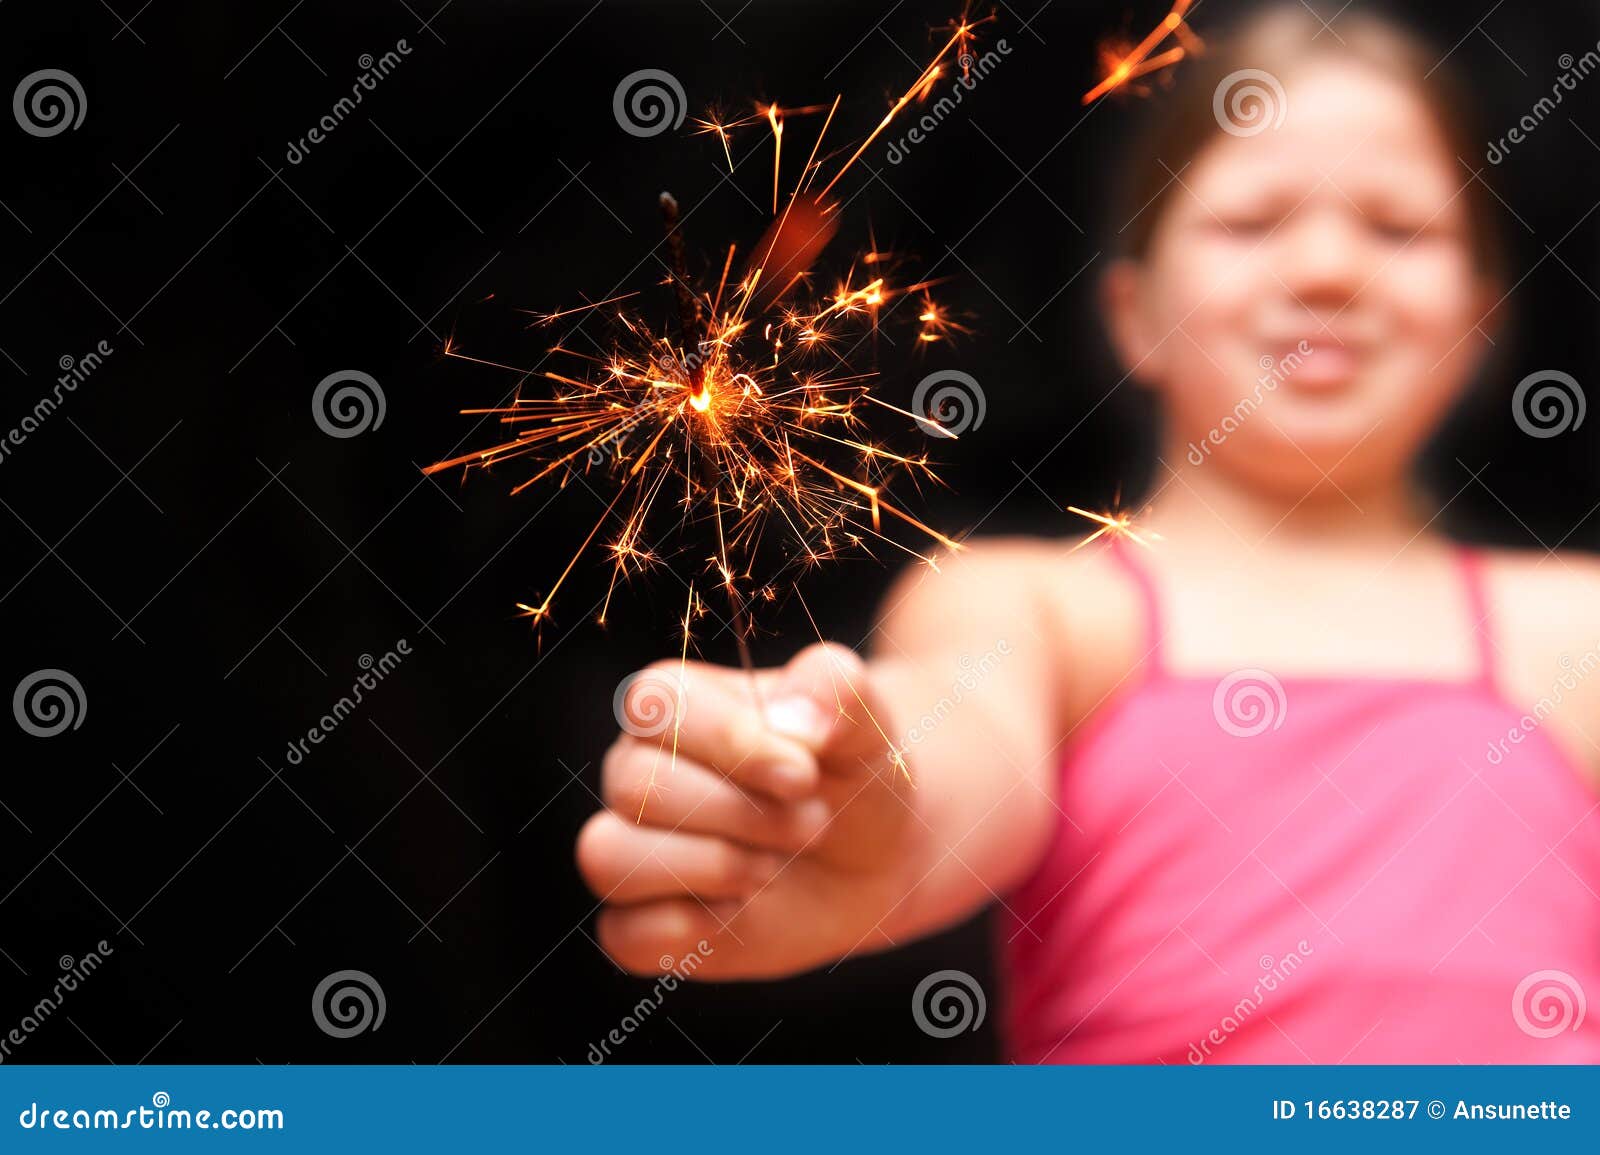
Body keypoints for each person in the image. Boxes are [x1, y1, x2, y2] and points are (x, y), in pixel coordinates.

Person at [574, 5, 1600, 1062]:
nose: (1329, 271)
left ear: (1480, 319)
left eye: (1399, 229)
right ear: (1132, 312)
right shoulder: (1035, 604)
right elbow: (948, 754)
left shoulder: (1580, 631)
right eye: (1250, 224)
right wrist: (850, 814)